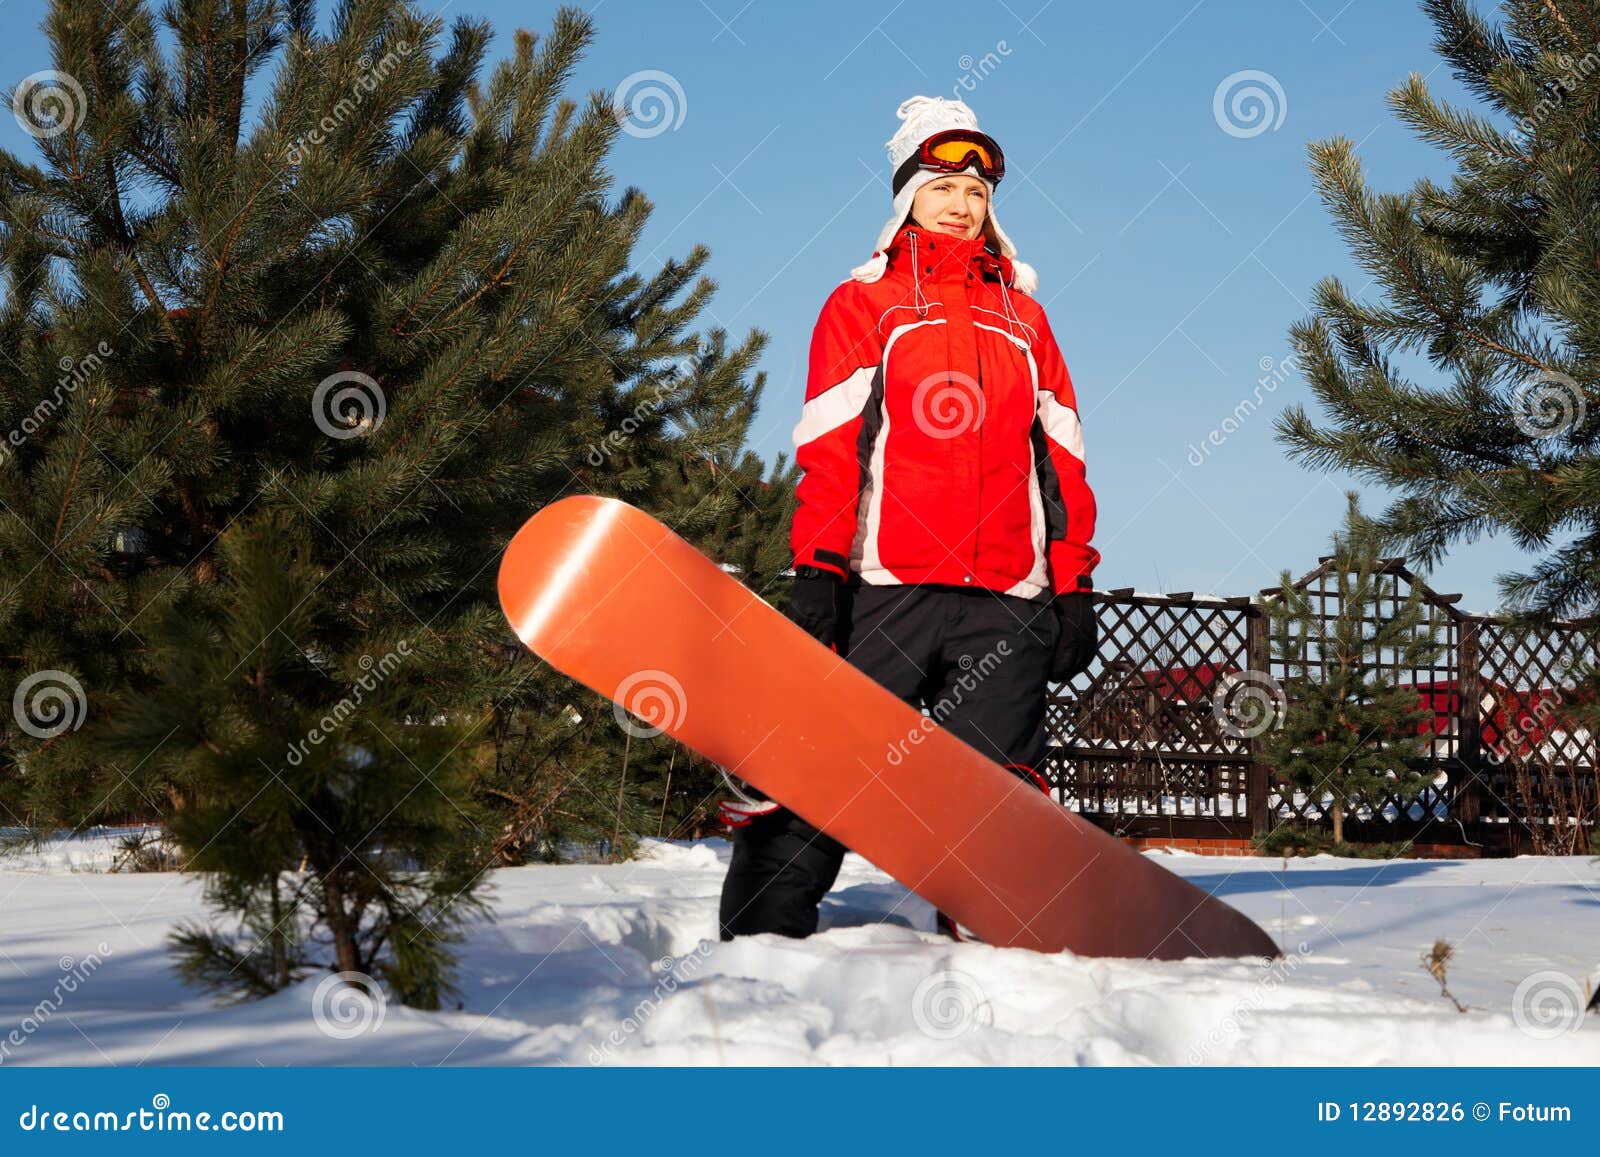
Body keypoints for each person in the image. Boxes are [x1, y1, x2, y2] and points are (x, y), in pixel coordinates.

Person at [717, 95, 1100, 941]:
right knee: (827, 770)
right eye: (942, 187)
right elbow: (831, 446)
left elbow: (1061, 462)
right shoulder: (864, 304)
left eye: (978, 193)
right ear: (907, 196)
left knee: (992, 798)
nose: (962, 206)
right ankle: (756, 956)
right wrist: (819, 568)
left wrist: (1073, 584)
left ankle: (1001, 973)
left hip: (1009, 593)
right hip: (886, 587)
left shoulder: (1027, 320)